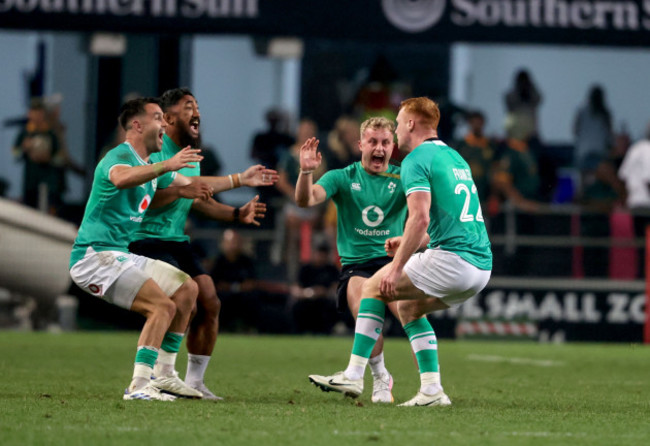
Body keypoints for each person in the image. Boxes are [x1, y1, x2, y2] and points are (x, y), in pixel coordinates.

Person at [308, 97, 492, 407]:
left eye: (397, 122)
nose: (396, 129)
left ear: (410, 124)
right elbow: (443, 220)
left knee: (372, 287)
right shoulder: (455, 157)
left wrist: (395, 268)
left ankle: (354, 374)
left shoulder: (415, 159)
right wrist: (409, 243)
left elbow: (419, 219)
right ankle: (432, 390)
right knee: (408, 308)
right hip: (480, 269)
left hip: (453, 258)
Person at [128, 87, 276, 400]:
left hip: (177, 240)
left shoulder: (191, 155)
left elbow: (199, 199)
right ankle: (156, 376)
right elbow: (146, 198)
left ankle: (194, 383)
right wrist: (192, 190)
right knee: (186, 298)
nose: (196, 112)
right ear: (167, 119)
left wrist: (237, 213)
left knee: (210, 301)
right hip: (146, 240)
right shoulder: (156, 151)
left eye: (197, 106)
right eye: (187, 107)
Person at [69, 97, 212, 401]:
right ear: (137, 125)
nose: (164, 125)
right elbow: (121, 178)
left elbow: (195, 182)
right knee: (162, 307)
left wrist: (240, 179)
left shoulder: (150, 165)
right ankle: (138, 385)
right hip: (94, 257)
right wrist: (167, 166)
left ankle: (165, 375)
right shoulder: (118, 156)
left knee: (187, 290)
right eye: (158, 118)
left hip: (119, 253)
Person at [296, 116, 407, 404]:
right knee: (365, 312)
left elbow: (426, 215)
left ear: (392, 146)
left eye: (385, 142)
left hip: (395, 262)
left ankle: (433, 386)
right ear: (360, 145)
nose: (379, 148)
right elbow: (306, 200)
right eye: (372, 142)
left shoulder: (405, 177)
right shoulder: (342, 177)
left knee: (411, 314)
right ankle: (381, 377)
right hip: (357, 266)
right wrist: (306, 173)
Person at [12, 98, 64, 213]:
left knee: (45, 207)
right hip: (30, 179)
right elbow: (15, 152)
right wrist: (24, 148)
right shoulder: (25, 132)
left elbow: (59, 157)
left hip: (46, 179)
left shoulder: (50, 133)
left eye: (39, 113)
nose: (36, 116)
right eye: (33, 112)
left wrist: (49, 158)